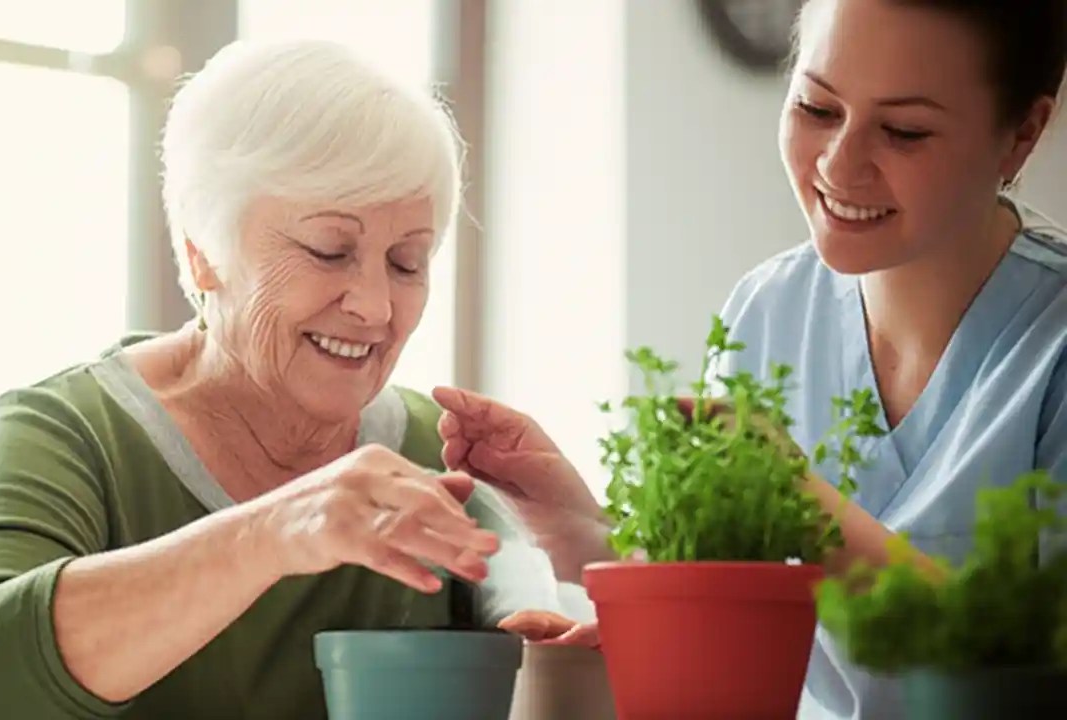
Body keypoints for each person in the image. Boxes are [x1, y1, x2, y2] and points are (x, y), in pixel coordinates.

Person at [445, 0, 1067, 717]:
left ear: (1021, 134)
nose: (840, 163)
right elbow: (736, 605)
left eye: (904, 132)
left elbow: (1028, 671)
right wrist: (583, 532)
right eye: (816, 106)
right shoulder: (766, 313)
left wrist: (805, 505)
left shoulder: (1048, 347)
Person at [0, 39, 565, 719]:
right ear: (203, 254)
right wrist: (272, 532)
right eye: (328, 250)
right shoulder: (69, 430)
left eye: (406, 262)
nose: (375, 307)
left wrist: (576, 554)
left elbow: (551, 631)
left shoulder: (443, 450)